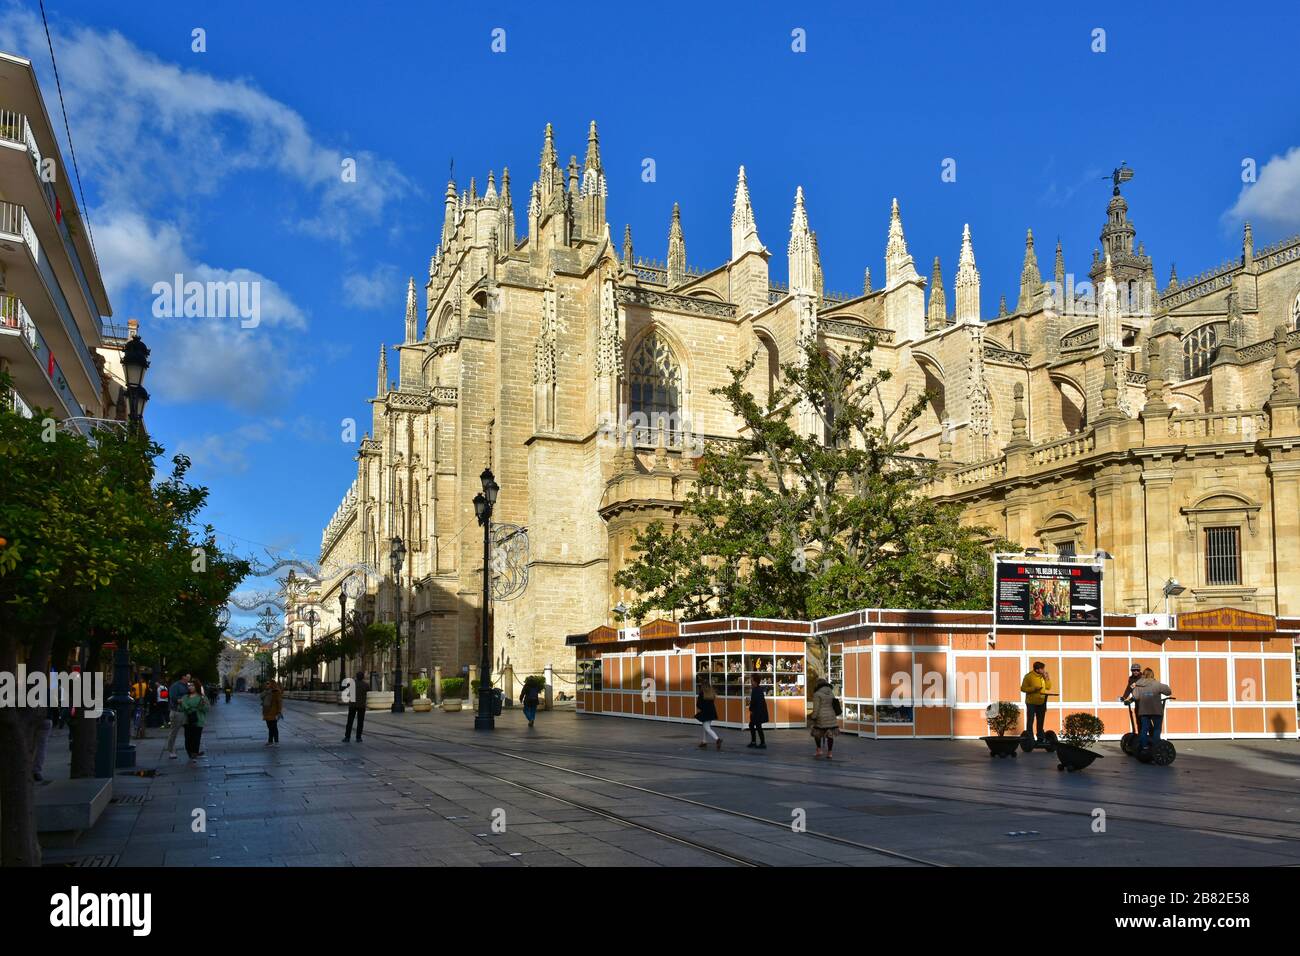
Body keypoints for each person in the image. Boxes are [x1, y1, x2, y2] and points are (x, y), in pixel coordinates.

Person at [1132, 667, 1173, 751]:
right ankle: (1155, 747)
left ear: (1143, 674)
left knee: (1144, 729)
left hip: (1144, 711)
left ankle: (1144, 746)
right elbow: (1168, 692)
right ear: (1152, 674)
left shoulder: (1138, 684)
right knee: (1157, 729)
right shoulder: (1157, 684)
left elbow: (1135, 697)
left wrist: (1134, 688)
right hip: (1156, 710)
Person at [1020, 662, 1053, 743]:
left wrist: (1047, 678)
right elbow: (1023, 688)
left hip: (1042, 701)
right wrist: (1033, 689)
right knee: (1030, 720)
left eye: (1043, 668)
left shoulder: (1043, 676)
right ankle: (1030, 738)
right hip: (1031, 702)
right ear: (1037, 669)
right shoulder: (1029, 676)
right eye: (1042, 669)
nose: (1043, 670)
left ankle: (1040, 737)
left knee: (1040, 720)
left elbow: (1048, 687)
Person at [809, 676, 839, 759]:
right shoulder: (831, 692)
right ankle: (829, 753)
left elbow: (816, 708)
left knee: (817, 733)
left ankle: (819, 750)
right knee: (830, 735)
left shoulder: (817, 694)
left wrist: (813, 717)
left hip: (821, 716)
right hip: (831, 715)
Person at [179, 681, 209, 761]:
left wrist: (202, 705)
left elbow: (206, 709)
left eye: (192, 686)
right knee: (188, 738)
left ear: (197, 687)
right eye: (189, 686)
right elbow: (181, 708)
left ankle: (194, 752)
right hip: (187, 720)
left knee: (196, 738)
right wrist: (183, 705)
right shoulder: (185, 697)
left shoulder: (202, 697)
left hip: (198, 720)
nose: (190, 687)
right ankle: (190, 752)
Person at [164, 672, 192, 759]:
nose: (189, 677)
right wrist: (184, 700)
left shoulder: (187, 685)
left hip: (186, 711)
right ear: (183, 676)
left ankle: (191, 751)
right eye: (188, 675)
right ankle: (171, 750)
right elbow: (173, 697)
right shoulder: (175, 686)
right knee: (174, 732)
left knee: (189, 732)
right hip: (177, 712)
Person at [695, 676, 722, 750]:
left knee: (707, 728)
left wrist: (699, 709)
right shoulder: (712, 693)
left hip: (705, 712)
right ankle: (704, 741)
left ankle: (717, 739)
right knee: (705, 726)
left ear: (702, 686)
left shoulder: (702, 693)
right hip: (711, 712)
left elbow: (698, 704)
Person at [343, 671, 368, 742]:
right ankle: (358, 737)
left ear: (356, 676)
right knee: (360, 722)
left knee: (350, 721)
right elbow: (369, 689)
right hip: (361, 705)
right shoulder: (365, 685)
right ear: (363, 677)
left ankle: (347, 737)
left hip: (352, 705)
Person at [746, 673, 768, 749]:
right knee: (753, 725)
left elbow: (755, 701)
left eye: (751, 680)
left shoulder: (756, 690)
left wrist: (751, 709)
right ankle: (755, 742)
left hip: (757, 712)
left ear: (755, 681)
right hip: (758, 711)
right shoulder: (758, 689)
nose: (751, 682)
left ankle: (761, 743)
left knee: (756, 726)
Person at [261, 678, 283, 745]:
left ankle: (276, 741)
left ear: (272, 684)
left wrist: (279, 711)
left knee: (274, 727)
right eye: (267, 684)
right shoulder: (266, 692)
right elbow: (261, 697)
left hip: (273, 713)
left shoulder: (276, 692)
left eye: (268, 683)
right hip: (267, 712)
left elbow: (279, 702)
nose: (267, 685)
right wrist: (266, 691)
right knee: (269, 727)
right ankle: (270, 741)